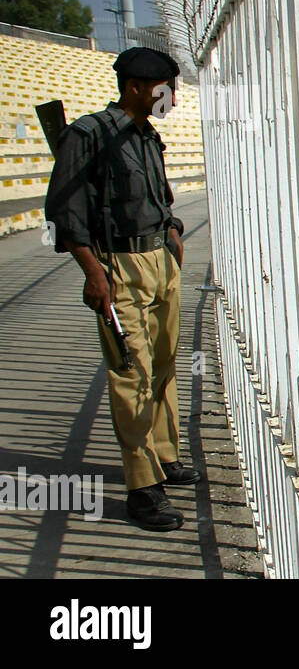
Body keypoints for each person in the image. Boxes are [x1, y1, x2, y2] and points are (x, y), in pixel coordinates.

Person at [44, 46, 199, 531]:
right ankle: (141, 487)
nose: (170, 97)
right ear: (135, 87)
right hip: (118, 267)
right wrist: (93, 272)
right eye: (163, 88)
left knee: (165, 363)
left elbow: (156, 197)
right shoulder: (88, 136)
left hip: (159, 260)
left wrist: (171, 230)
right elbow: (65, 216)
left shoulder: (147, 137)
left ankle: (166, 455)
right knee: (131, 373)